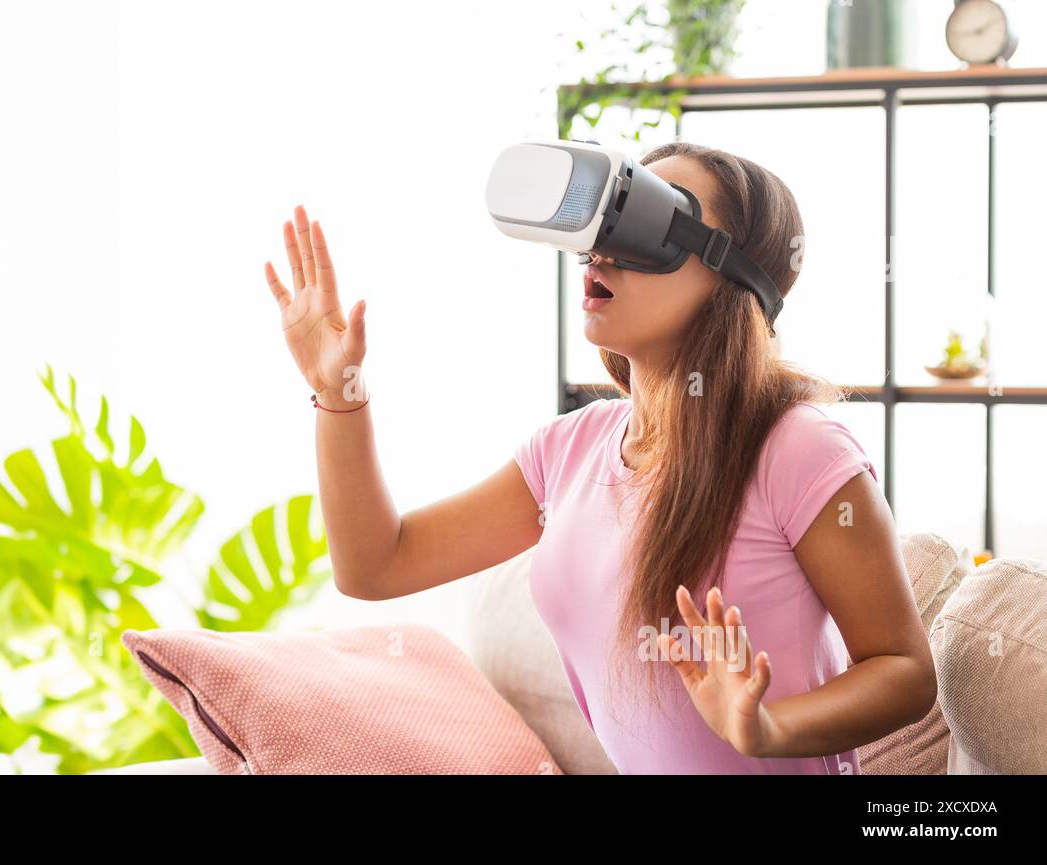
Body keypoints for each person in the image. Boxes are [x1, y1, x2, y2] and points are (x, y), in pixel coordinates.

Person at [261, 141, 936, 774]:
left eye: (648, 221)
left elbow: (903, 667)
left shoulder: (796, 448)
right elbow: (376, 564)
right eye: (603, 222)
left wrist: (769, 726)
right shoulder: (568, 450)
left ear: (734, 275)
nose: (600, 252)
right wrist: (338, 395)